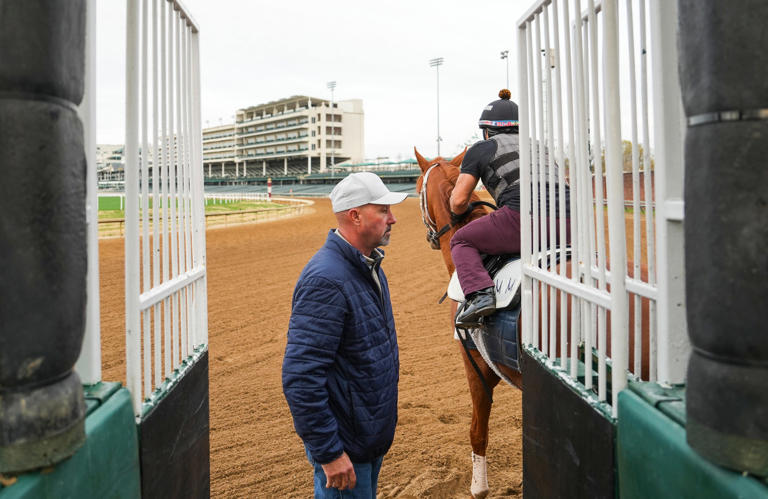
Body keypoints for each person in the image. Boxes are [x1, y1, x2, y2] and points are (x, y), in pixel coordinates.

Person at [282, 172, 407, 498]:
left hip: (366, 441)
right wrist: (330, 453)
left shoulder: (367, 266)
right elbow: (300, 377)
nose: (393, 219)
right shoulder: (327, 278)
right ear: (355, 215)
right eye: (383, 210)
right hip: (345, 451)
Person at [449, 89, 570, 326]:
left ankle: (481, 296)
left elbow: (458, 200)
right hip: (570, 223)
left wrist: (459, 214)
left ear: (486, 130)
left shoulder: (482, 147)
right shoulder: (540, 147)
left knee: (461, 241)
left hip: (524, 219)